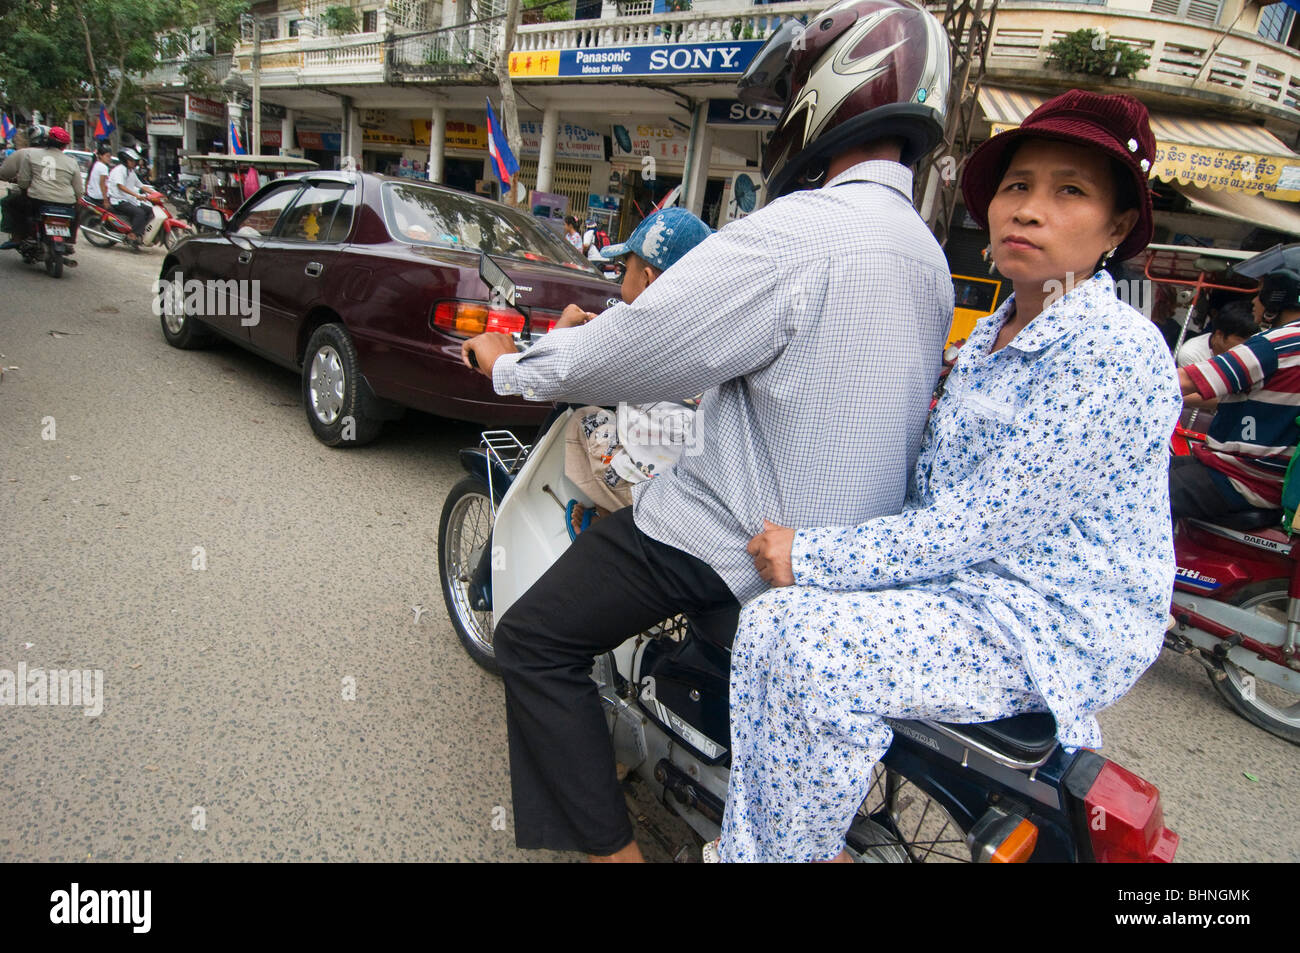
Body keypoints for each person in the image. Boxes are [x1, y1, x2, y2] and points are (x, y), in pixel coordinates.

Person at [460, 0, 955, 862]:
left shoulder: (801, 231)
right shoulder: (930, 256)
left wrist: (511, 364)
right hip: (852, 561)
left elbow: (639, 344)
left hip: (739, 535)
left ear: (828, 91)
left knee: (534, 638)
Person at [718, 89, 1181, 862]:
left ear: (1118, 227)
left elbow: (980, 521)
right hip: (967, 587)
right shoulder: (995, 331)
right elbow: (931, 484)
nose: (1029, 210)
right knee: (769, 619)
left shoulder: (1114, 348)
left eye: (1069, 191)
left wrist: (816, 554)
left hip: (1043, 614)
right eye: (1017, 186)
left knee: (799, 639)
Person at [558, 207, 713, 533]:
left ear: (646, 279)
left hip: (652, 496)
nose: (620, 276)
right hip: (697, 491)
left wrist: (562, 330)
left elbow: (562, 376)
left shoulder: (633, 332)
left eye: (625, 267)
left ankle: (608, 515)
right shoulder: (714, 330)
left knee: (582, 421)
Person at [1171, 244, 1300, 522]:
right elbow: (1223, 393)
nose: (1254, 301)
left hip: (1239, 479)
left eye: (1261, 291)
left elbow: (1180, 381)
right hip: (1276, 483)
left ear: (1280, 294)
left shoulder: (1276, 344)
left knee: (1117, 489)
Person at [14, 126, 83, 250]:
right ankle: (70, 240)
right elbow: (78, 189)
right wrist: (78, 199)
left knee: (20, 206)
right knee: (77, 211)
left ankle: (24, 236)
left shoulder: (31, 155)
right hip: (65, 202)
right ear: (65, 146)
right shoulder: (72, 161)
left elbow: (23, 182)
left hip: (38, 198)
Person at [0, 124, 48, 248]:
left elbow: (5, 173)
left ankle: (16, 237)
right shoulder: (61, 156)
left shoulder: (23, 153)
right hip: (60, 198)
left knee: (8, 202)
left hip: (33, 195)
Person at [1175, 298, 1257, 368]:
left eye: (1252, 339)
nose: (1248, 345)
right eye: (1240, 339)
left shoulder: (1253, 349)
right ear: (1219, 334)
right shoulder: (1191, 353)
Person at [106, 147, 151, 248]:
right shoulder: (119, 170)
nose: (134, 163)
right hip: (119, 201)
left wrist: (155, 193)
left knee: (150, 210)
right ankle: (133, 235)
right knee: (140, 213)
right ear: (126, 160)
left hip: (129, 200)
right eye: (132, 161)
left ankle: (141, 232)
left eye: (135, 161)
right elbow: (120, 186)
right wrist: (136, 195)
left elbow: (140, 185)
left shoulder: (131, 171)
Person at [85, 143, 113, 209]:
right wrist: (105, 201)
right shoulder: (103, 167)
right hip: (99, 197)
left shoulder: (95, 164)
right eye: (107, 156)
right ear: (100, 156)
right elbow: (102, 184)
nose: (109, 158)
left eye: (110, 156)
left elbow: (87, 180)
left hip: (91, 194)